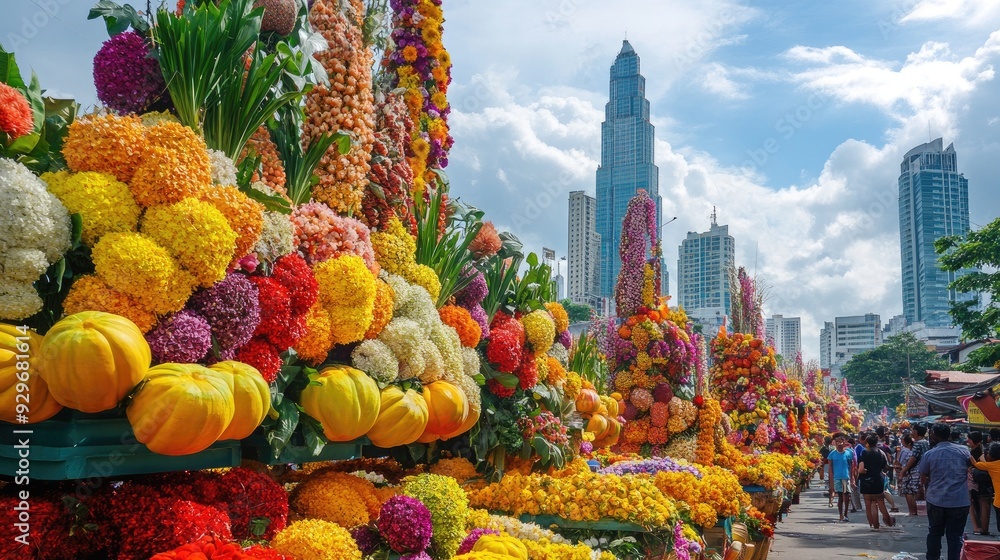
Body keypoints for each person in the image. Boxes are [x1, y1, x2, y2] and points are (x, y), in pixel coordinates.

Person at [919, 424, 971, 560]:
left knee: (935, 533)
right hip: (959, 500)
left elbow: (923, 475)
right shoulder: (964, 451)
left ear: (934, 436)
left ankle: (932, 558)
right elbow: (971, 468)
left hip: (936, 499)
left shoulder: (929, 454)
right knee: (955, 536)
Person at [859, 434, 895, 529]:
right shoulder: (881, 453)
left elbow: (861, 469)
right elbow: (886, 467)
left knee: (868, 504)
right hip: (878, 481)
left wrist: (866, 471)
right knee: (880, 502)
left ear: (867, 443)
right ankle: (889, 520)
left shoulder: (864, 453)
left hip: (866, 481)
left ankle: (873, 525)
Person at [968, 431, 993, 535]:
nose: (967, 440)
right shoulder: (985, 450)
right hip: (985, 480)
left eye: (969, 438)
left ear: (973, 441)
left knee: (976, 504)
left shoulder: (973, 453)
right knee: (984, 504)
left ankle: (978, 527)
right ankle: (984, 528)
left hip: (976, 481)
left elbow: (972, 465)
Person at [828, 433, 856, 522]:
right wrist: (831, 481)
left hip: (845, 477)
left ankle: (846, 514)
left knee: (846, 496)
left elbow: (851, 467)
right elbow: (830, 468)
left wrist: (852, 478)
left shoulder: (849, 453)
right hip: (837, 478)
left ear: (844, 443)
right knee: (840, 496)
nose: (839, 444)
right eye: (837, 442)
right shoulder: (832, 454)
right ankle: (840, 515)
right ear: (835, 443)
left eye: (841, 442)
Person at [897, 434, 920, 516]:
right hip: (914, 473)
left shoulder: (905, 451)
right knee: (911, 493)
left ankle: (912, 511)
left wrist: (902, 471)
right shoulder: (914, 451)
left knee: (908, 492)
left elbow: (900, 462)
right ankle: (913, 511)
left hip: (908, 473)